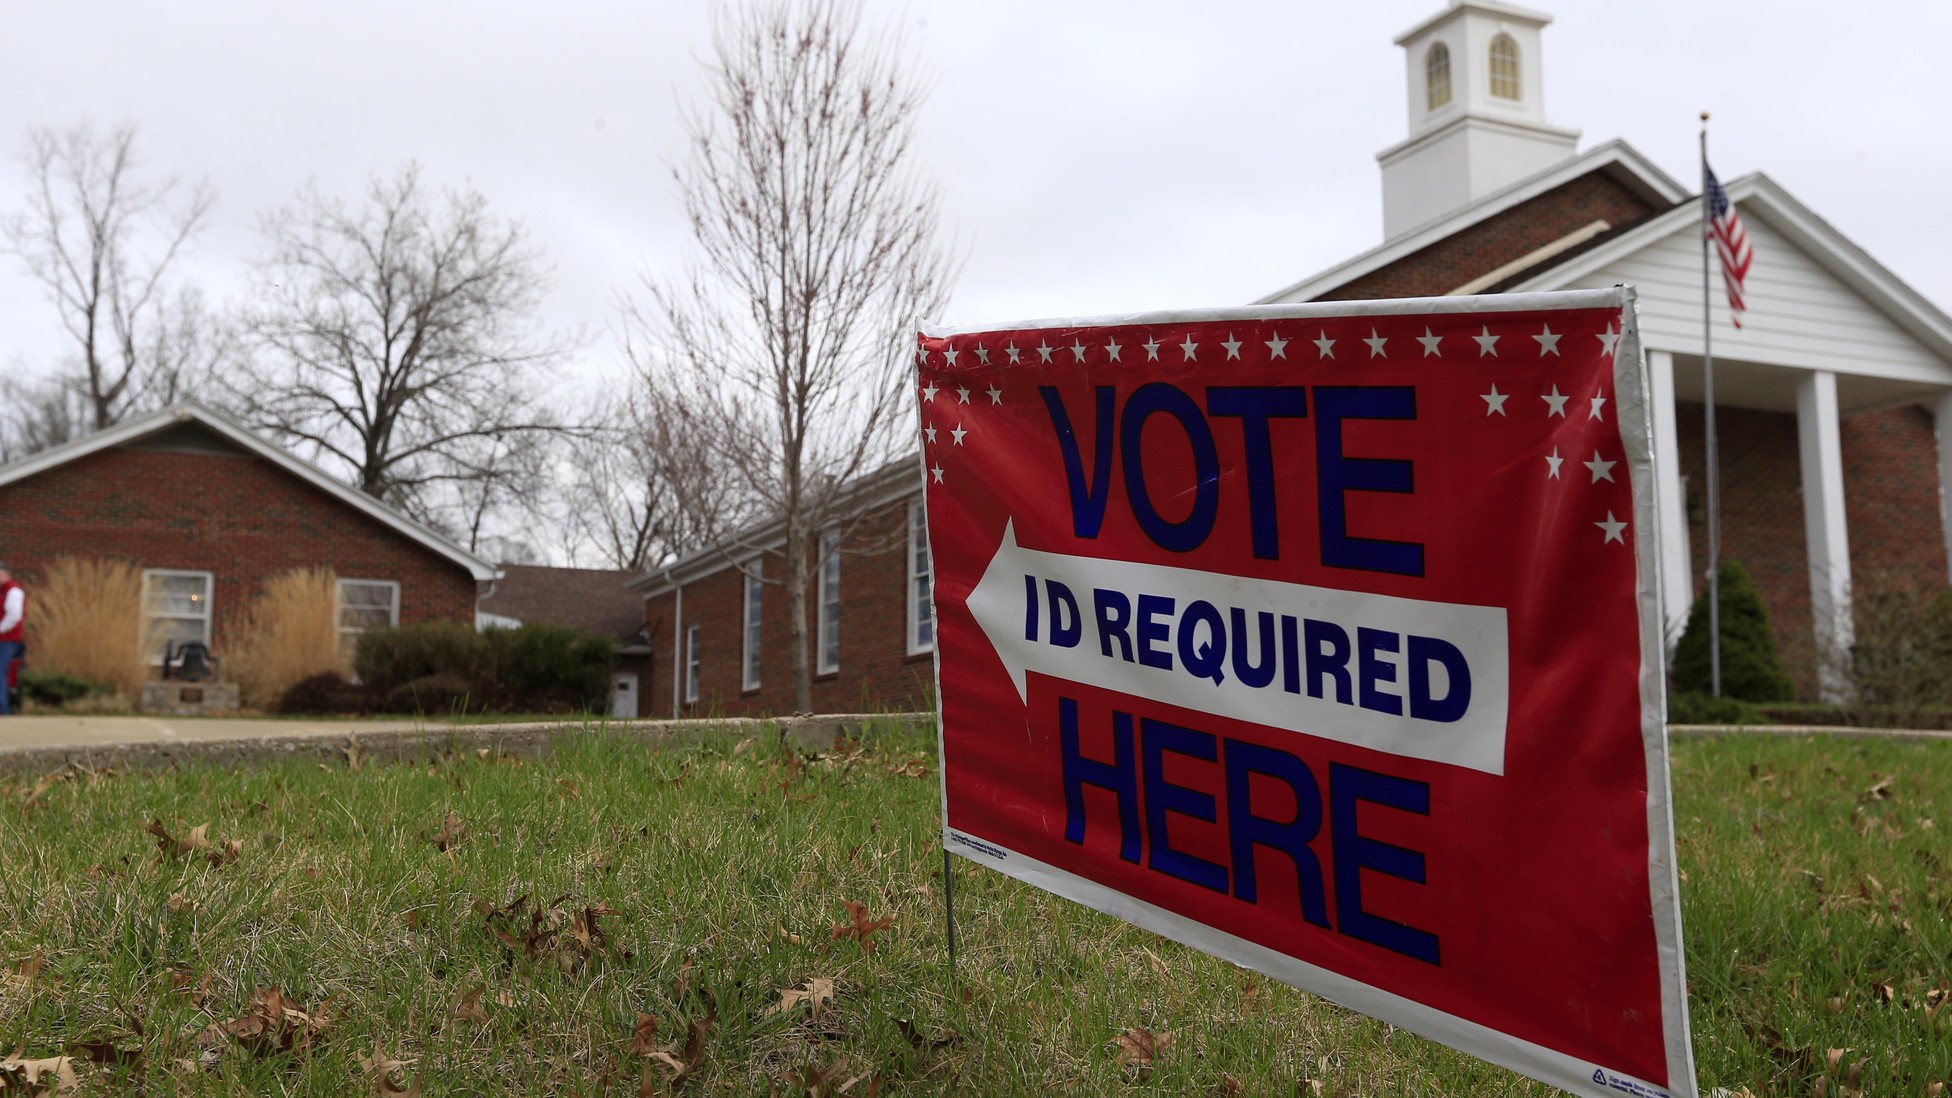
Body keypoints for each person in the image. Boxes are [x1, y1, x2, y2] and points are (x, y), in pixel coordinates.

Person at [0, 562, 22, 716]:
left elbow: (14, 615)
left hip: (7, 641)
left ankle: (3, 709)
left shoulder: (13, 591)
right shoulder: (3, 591)